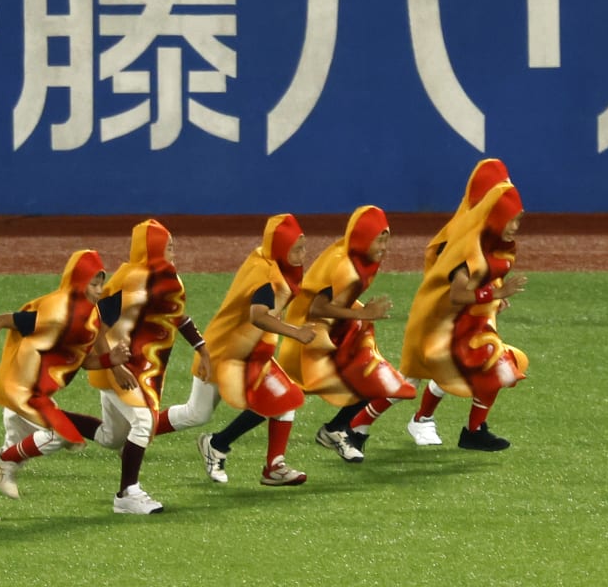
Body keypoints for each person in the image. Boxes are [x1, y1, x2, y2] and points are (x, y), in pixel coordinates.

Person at [0, 249, 130, 523]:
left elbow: (81, 362)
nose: (99, 290)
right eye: (93, 283)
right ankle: (1, 458)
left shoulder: (88, 318)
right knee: (62, 435)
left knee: (14, 459)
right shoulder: (52, 314)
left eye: (101, 283)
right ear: (77, 282)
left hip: (38, 395)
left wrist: (108, 359)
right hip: (22, 391)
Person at [353, 181, 530, 451]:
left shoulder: (488, 239)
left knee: (495, 366)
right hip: (439, 323)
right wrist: (493, 294)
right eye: (512, 219)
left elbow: (482, 275)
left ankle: (467, 429)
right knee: (411, 381)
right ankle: (358, 426)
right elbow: (455, 289)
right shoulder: (466, 239)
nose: (516, 226)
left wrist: (494, 293)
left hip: (466, 322)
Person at [85, 219, 212, 515]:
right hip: (121, 366)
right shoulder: (129, 280)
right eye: (168, 246)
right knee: (143, 422)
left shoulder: (168, 278)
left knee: (112, 436)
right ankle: (127, 494)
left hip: (143, 368)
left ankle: (56, 426)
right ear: (154, 248)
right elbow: (97, 326)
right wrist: (112, 366)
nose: (173, 251)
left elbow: (176, 314)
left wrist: (201, 348)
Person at [277, 205, 415, 463]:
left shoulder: (361, 257)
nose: (384, 247)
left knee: (374, 377)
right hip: (311, 331)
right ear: (363, 237)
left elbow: (339, 301)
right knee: (284, 395)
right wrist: (362, 315)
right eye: (379, 240)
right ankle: (220, 442)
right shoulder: (345, 266)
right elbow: (317, 308)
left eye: (387, 239)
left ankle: (336, 429)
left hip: (336, 324)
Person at [193, 214, 316, 487]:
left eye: (303, 247)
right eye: (296, 248)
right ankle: (137, 437)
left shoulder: (269, 259)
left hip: (250, 351)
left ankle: (273, 465)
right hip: (229, 352)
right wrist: (297, 333)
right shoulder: (266, 273)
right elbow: (258, 316)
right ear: (281, 248)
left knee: (286, 398)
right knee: (195, 414)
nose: (303, 254)